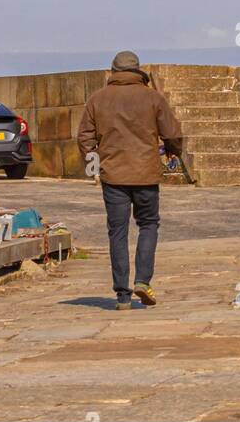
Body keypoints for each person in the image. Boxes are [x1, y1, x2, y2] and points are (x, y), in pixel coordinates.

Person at [77, 50, 184, 310]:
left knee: (118, 232)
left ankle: (123, 295)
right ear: (138, 71)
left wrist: (94, 167)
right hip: (146, 173)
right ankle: (143, 281)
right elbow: (172, 133)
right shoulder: (153, 98)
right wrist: (172, 151)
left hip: (113, 176)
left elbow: (85, 138)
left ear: (113, 71)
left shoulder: (98, 99)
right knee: (148, 225)